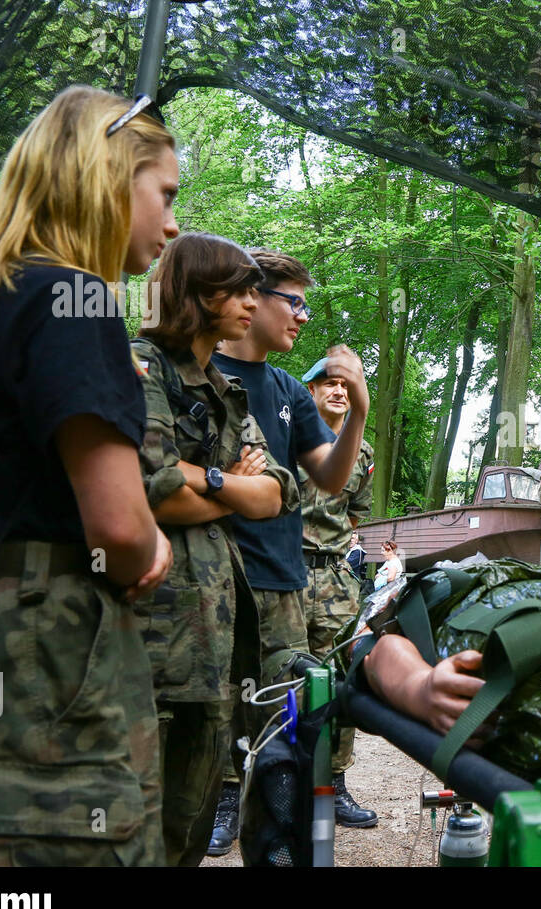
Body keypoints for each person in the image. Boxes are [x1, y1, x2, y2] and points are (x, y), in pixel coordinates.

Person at [0, 87, 175, 865]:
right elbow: (119, 529)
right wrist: (151, 548)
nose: (172, 223)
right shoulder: (74, 299)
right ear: (108, 179)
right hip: (43, 650)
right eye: (164, 194)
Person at [131, 232, 299, 866]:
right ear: (200, 294)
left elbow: (277, 491)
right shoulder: (142, 366)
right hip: (151, 642)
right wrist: (232, 483)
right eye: (241, 291)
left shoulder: (226, 389)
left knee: (190, 827)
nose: (255, 303)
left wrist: (212, 481)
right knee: (136, 827)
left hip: (217, 642)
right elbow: (154, 489)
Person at [206, 248, 369, 858]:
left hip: (282, 586)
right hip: (214, 581)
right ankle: (222, 800)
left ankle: (274, 842)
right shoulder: (197, 373)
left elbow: (331, 475)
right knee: (213, 717)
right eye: (294, 302)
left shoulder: (287, 390)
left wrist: (359, 411)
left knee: (283, 729)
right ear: (252, 298)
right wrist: (229, 485)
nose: (303, 316)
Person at [297, 356, 377, 827]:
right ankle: (240, 788)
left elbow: (354, 513)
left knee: (338, 680)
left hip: (335, 582)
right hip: (284, 573)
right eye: (328, 383)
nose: (339, 391)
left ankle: (335, 782)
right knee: (266, 677)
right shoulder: (285, 437)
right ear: (309, 391)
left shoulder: (362, 453)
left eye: (346, 385)